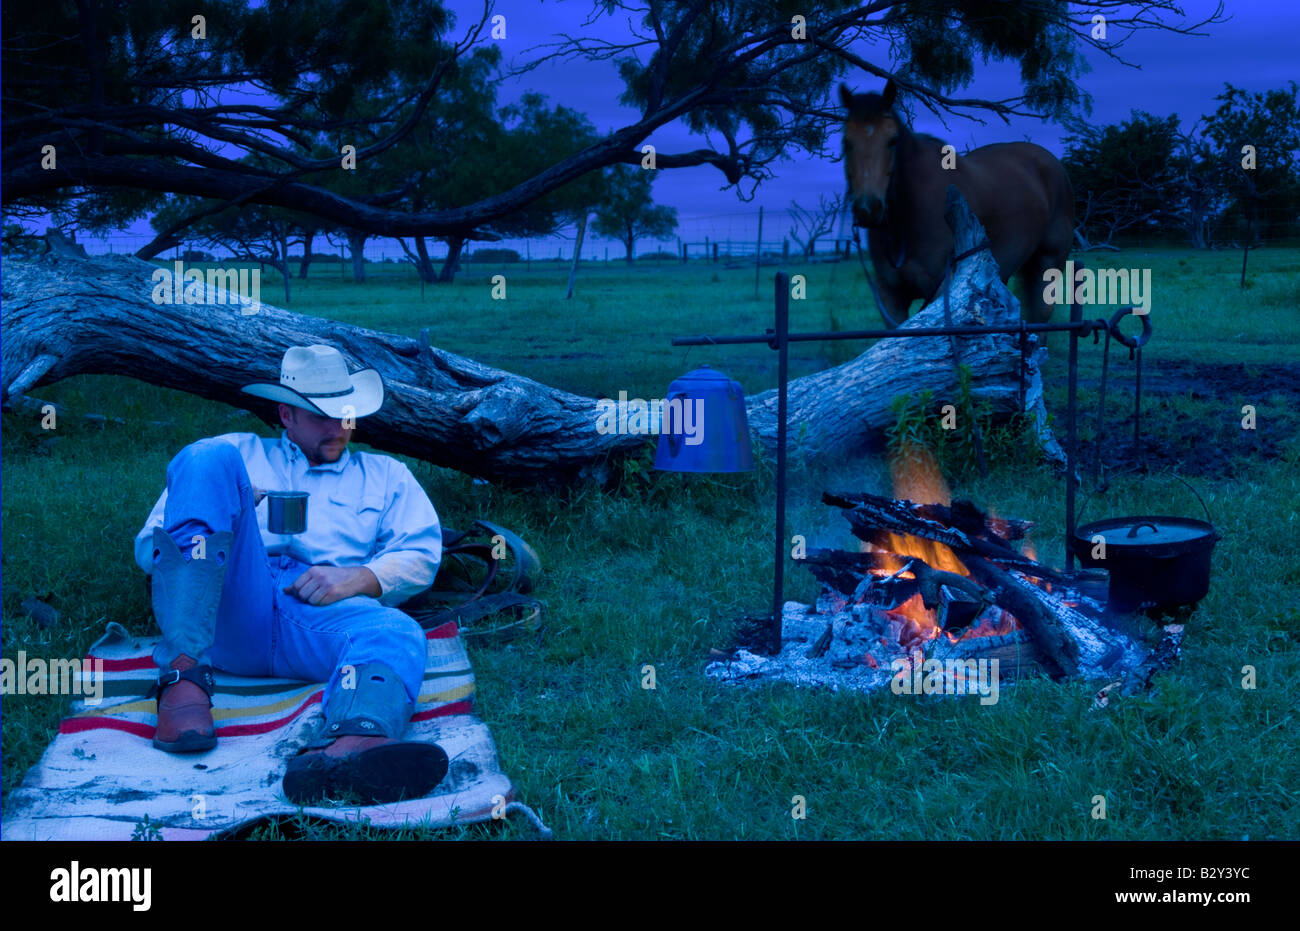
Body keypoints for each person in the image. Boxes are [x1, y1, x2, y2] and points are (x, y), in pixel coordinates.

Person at [133, 344, 448, 805]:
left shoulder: (384, 475)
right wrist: (232, 514)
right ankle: (183, 686)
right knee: (204, 456)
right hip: (230, 609)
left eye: (346, 414)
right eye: (323, 416)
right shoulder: (237, 455)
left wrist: (358, 577)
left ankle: (352, 748)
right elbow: (150, 549)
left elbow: (421, 550)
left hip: (321, 617)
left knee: (396, 630)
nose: (340, 427)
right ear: (286, 414)